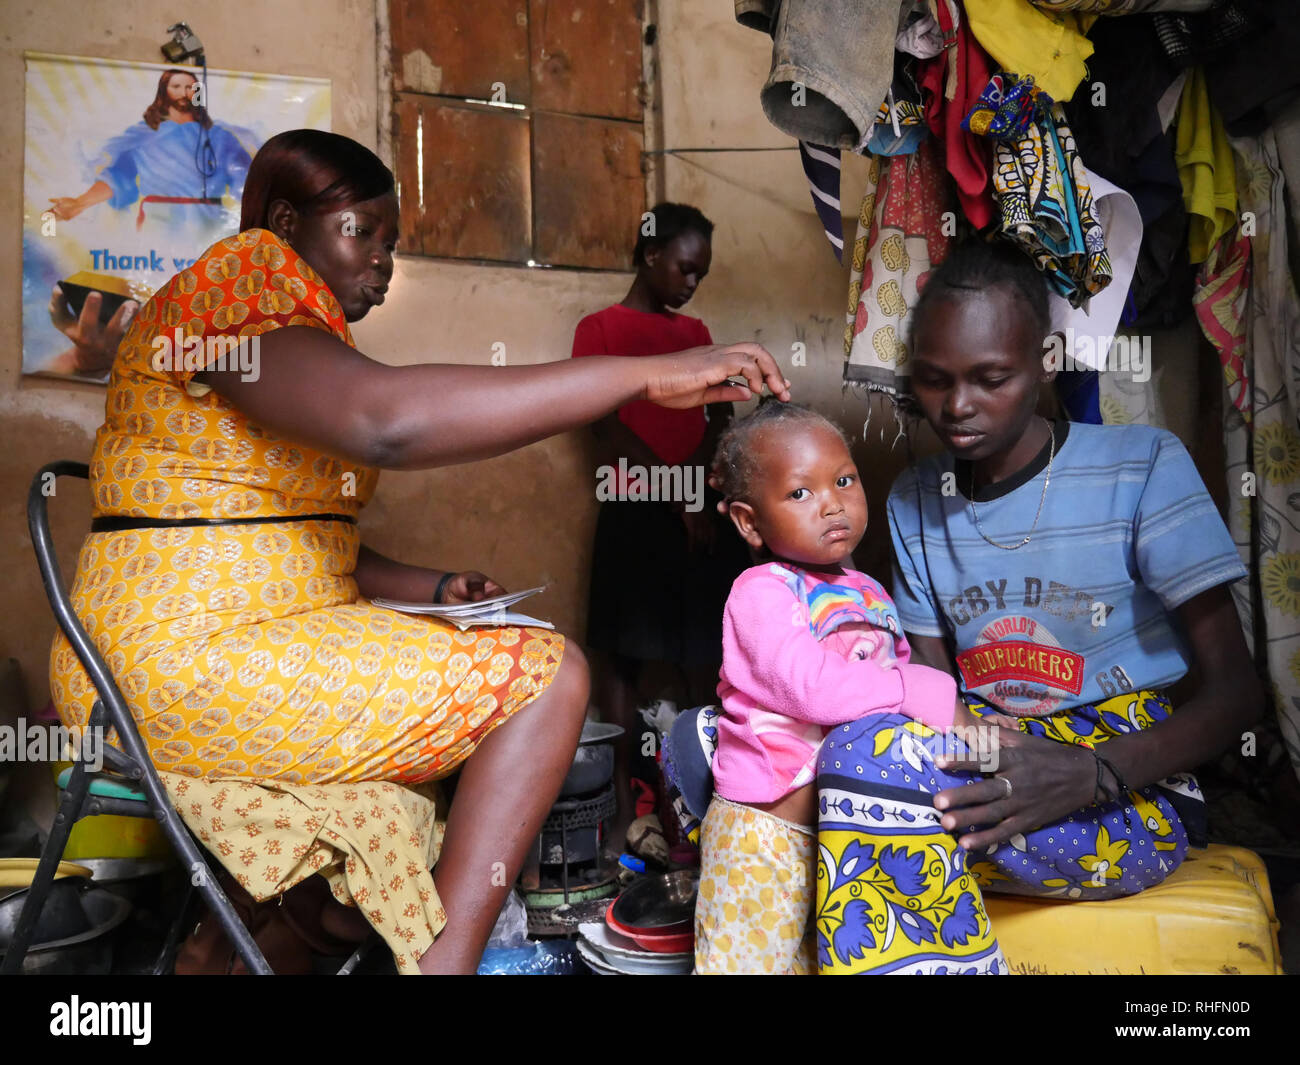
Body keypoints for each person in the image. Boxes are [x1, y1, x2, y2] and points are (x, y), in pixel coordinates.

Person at [46, 129, 790, 974]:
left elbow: (279, 535)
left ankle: (216, 956)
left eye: (392, 242)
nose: (384, 261)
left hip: (208, 641)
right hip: (180, 655)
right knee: (548, 679)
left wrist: (430, 585)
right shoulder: (242, 278)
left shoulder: (301, 335)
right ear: (286, 221)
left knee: (383, 826)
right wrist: (639, 374)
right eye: (362, 231)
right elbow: (387, 423)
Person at [815, 239, 1262, 974]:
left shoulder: (1141, 467)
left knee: (861, 793)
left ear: (1047, 359)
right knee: (768, 756)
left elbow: (1237, 694)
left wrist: (1091, 773)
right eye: (933, 380)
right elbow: (933, 700)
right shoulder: (916, 500)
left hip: (1130, 791)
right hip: (986, 766)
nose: (957, 406)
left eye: (991, 378)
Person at [694, 401, 974, 974]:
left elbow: (887, 705)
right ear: (750, 522)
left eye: (844, 480)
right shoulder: (761, 591)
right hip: (765, 834)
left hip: (843, 833)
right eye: (800, 493)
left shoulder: (868, 590)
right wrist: (921, 689)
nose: (832, 502)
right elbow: (812, 689)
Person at [571, 203, 750, 840]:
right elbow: (603, 422)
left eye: (700, 274)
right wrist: (676, 497)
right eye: (684, 268)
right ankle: (623, 805)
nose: (691, 284)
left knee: (708, 653)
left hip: (701, 511)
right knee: (621, 659)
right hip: (637, 511)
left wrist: (700, 497)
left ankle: (700, 804)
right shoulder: (599, 330)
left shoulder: (697, 331)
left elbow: (722, 419)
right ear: (649, 256)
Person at [47, 68, 251, 230]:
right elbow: (118, 177)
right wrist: (80, 203)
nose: (184, 93)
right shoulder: (143, 136)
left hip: (209, 223)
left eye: (190, 87)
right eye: (177, 86)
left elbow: (246, 181)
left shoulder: (220, 138)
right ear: (165, 92)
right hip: (160, 223)